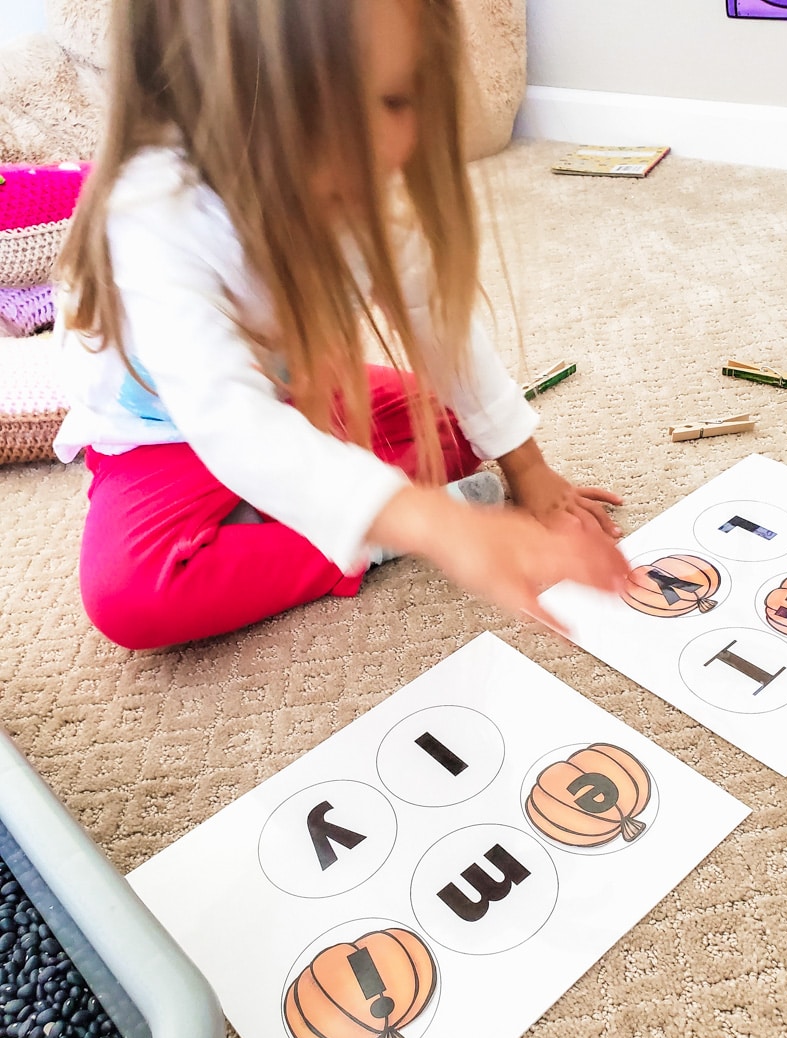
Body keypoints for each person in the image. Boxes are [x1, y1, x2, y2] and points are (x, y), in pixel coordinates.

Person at [53, 0, 629, 652]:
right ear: (225, 95)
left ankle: (309, 503)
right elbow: (230, 422)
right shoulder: (154, 209)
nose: (390, 145)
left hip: (295, 393)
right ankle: (363, 531)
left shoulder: (364, 187)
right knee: (131, 595)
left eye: (399, 99)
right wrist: (439, 528)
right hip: (167, 437)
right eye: (365, 104)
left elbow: (438, 323)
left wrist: (528, 469)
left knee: (462, 429)